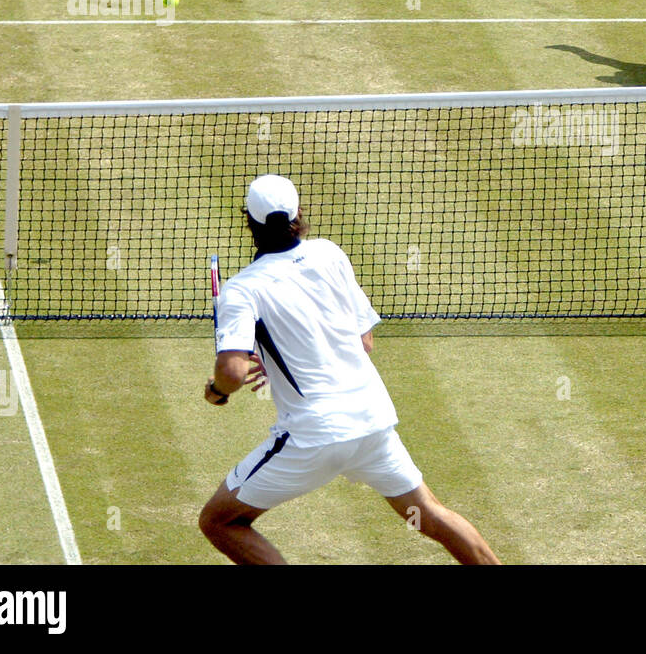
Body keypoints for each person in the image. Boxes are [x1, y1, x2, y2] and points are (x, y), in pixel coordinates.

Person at [197, 174, 500, 565]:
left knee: (219, 521)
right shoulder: (329, 253)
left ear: (249, 222)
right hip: (372, 423)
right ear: (298, 214)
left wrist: (217, 390)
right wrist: (281, 363)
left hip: (313, 436)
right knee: (431, 515)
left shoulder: (242, 290)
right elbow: (363, 342)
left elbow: (233, 371)